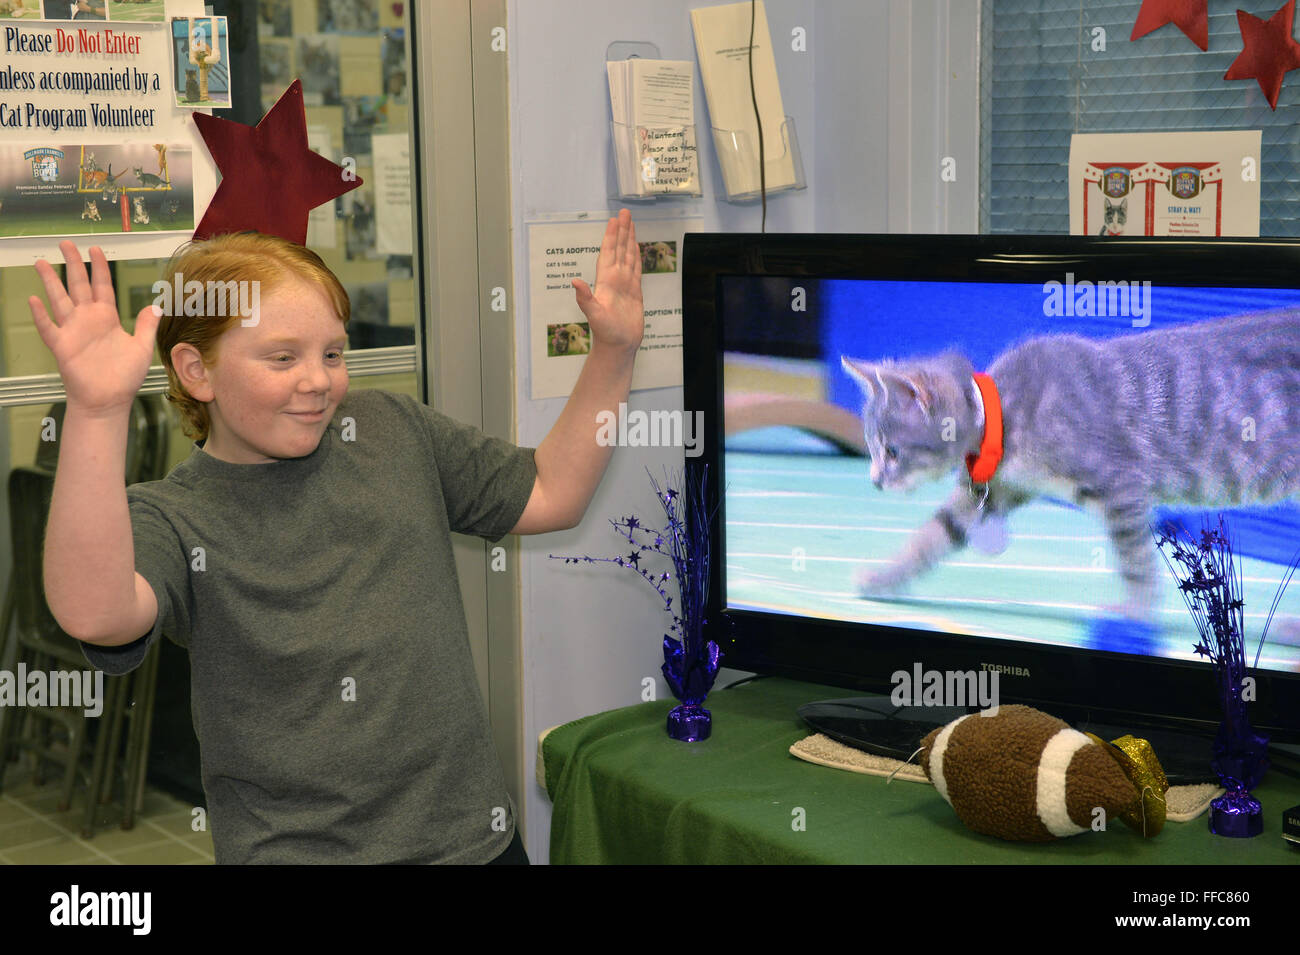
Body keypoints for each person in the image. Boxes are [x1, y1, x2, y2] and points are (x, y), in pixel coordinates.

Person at [33, 210, 645, 864]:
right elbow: (96, 612)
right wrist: (98, 411)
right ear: (196, 371)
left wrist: (613, 352)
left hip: (474, 845)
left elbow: (553, 489)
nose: (318, 380)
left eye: (333, 351)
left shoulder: (391, 430)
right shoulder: (174, 517)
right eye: (282, 356)